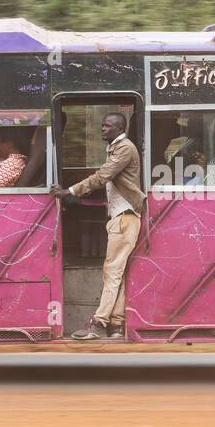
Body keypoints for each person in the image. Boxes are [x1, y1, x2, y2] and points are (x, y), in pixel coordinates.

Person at [51, 112, 145, 340]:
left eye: (107, 126)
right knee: (117, 272)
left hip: (124, 217)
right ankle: (116, 325)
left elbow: (102, 177)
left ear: (120, 128)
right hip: (121, 217)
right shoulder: (116, 147)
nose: (102, 129)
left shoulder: (124, 148)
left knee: (111, 271)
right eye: (102, 125)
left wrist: (68, 191)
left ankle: (99, 323)